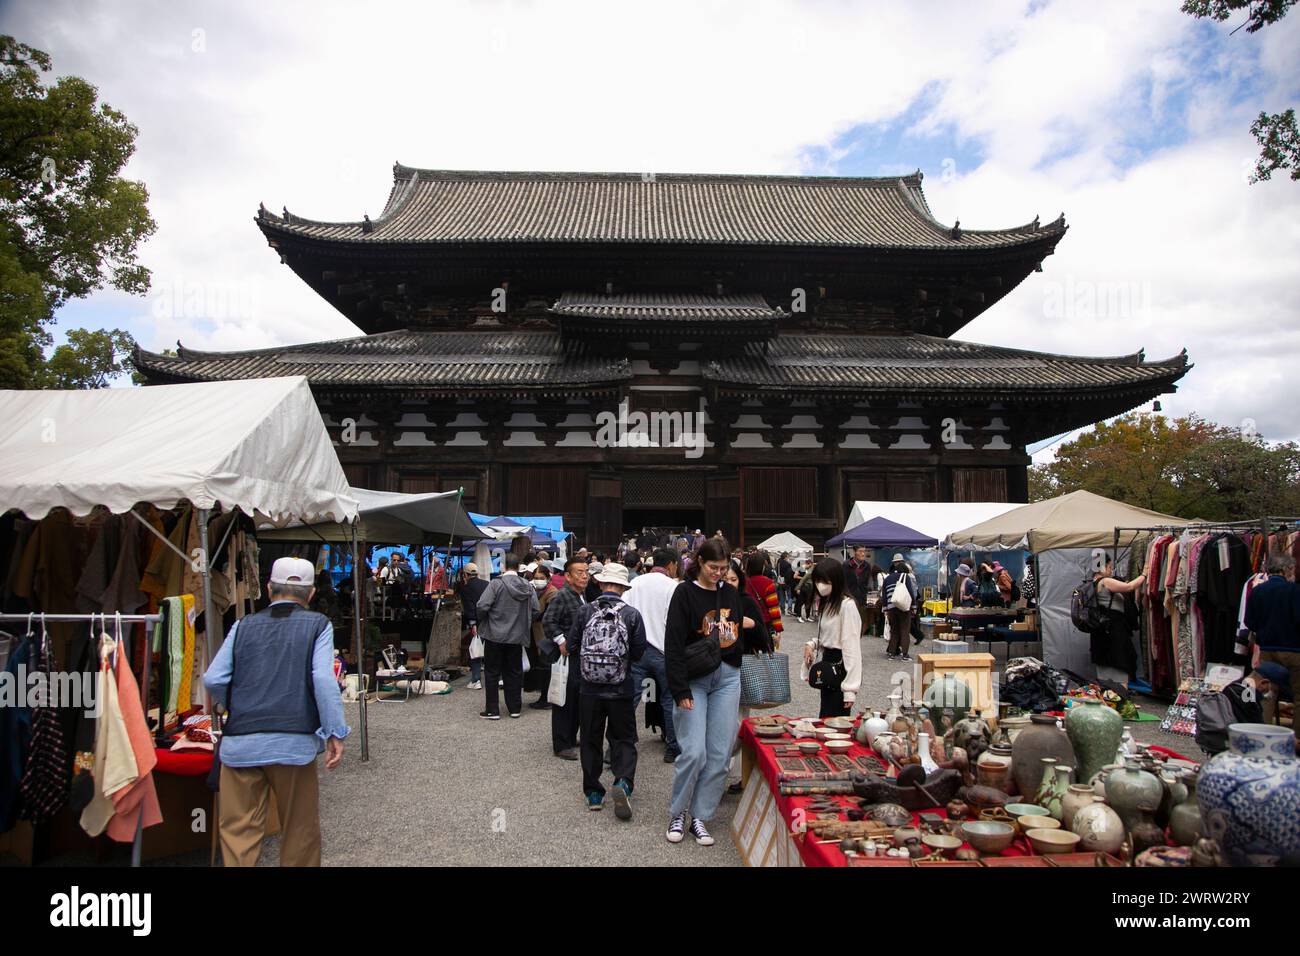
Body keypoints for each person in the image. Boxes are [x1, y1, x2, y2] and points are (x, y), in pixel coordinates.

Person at [203, 557, 348, 867]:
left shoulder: (244, 624)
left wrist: (235, 704)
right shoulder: (318, 624)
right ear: (310, 595)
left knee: (238, 834)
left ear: (268, 589)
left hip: (240, 742)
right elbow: (323, 680)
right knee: (299, 831)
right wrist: (334, 730)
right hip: (293, 743)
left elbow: (214, 677)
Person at [663, 539, 749, 847]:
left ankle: (701, 814)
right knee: (693, 751)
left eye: (724, 568)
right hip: (694, 678)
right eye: (714, 567)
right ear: (699, 562)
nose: (719, 573)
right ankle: (679, 811)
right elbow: (672, 644)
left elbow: (737, 627)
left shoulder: (729, 592)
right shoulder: (684, 593)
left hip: (727, 676)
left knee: (719, 753)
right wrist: (678, 687)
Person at [565, 563, 647, 817]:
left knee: (590, 738)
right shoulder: (632, 614)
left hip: (588, 688)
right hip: (621, 687)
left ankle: (593, 792)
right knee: (623, 738)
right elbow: (639, 650)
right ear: (623, 587)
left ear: (599, 584)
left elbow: (572, 644)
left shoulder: (585, 611)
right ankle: (623, 782)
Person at [625, 548, 684, 762]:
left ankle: (619, 745)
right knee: (670, 699)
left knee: (630, 700)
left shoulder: (635, 583)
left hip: (637, 650)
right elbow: (677, 623)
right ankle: (672, 747)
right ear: (671, 565)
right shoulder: (673, 587)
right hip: (663, 650)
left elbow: (624, 612)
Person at [475, 551, 540, 720]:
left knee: (492, 672)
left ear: (502, 566)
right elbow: (536, 609)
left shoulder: (496, 584)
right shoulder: (527, 585)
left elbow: (482, 605)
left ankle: (492, 710)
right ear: (518, 567)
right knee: (514, 672)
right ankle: (514, 708)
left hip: (494, 635)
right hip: (517, 636)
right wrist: (524, 622)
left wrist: (484, 620)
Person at [542, 557, 590, 760]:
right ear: (568, 576)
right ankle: (561, 744)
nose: (584, 575)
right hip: (567, 654)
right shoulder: (563, 595)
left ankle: (570, 737)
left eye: (586, 571)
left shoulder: (580, 595)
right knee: (564, 699)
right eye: (579, 572)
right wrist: (561, 641)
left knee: (576, 697)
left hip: (579, 654)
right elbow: (548, 621)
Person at [803, 558, 862, 718]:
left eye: (824, 581)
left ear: (835, 580)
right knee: (825, 717)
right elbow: (827, 636)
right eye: (817, 581)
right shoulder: (827, 603)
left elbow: (852, 647)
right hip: (827, 663)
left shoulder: (847, 605)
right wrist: (812, 645)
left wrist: (850, 689)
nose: (819, 585)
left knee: (835, 721)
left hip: (840, 665)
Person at [1090, 550, 1147, 689]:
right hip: (1113, 630)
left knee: (1104, 664)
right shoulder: (1105, 581)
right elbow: (1129, 587)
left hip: (1100, 630)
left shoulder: (1093, 582)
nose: (1111, 570)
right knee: (1119, 660)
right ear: (1102, 567)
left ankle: (1107, 696)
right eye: (1109, 567)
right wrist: (1145, 574)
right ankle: (1121, 695)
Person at [1244, 554, 1300, 694]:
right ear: (1285, 570)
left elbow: (1249, 622)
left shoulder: (1257, 591)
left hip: (1267, 650)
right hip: (1294, 651)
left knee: (1267, 694)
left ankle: (1263, 717)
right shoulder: (1295, 591)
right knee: (1298, 695)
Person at [526, 564, 559, 710]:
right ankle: (542, 695)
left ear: (548, 578)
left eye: (541, 578)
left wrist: (535, 615)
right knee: (539, 664)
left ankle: (546, 698)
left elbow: (548, 614)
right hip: (533, 633)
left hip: (545, 634)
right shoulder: (533, 591)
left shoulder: (552, 592)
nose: (538, 580)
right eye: (536, 578)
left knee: (547, 666)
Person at [1223, 662, 1289, 727]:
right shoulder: (1247, 699)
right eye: (1274, 691)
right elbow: (1255, 730)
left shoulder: (1230, 688)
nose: (1272, 695)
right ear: (1263, 683)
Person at [456, 563, 488, 689]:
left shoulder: (466, 588)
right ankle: (499, 679)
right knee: (491, 650)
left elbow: (469, 607)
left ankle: (476, 680)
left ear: (465, 574)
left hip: (478, 622)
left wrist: (472, 623)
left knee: (475, 650)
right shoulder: (487, 584)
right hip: (490, 621)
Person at [882, 554, 919, 662]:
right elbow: (910, 592)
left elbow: (884, 595)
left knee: (894, 630)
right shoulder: (905, 576)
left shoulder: (887, 578)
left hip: (891, 607)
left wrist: (885, 608)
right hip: (903, 607)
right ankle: (905, 655)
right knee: (904, 630)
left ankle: (892, 654)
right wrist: (914, 606)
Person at [745, 553, 784, 649]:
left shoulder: (744, 583)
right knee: (767, 655)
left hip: (748, 624)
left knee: (750, 655)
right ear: (762, 567)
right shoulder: (768, 583)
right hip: (764, 624)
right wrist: (778, 629)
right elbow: (773, 608)